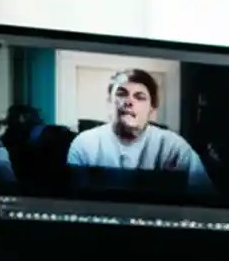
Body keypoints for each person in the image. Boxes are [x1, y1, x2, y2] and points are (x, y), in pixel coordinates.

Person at [66, 68, 212, 193]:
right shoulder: (84, 144)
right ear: (110, 102)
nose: (129, 101)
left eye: (139, 97)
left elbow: (204, 198)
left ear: (152, 108)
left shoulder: (174, 147)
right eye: (121, 94)